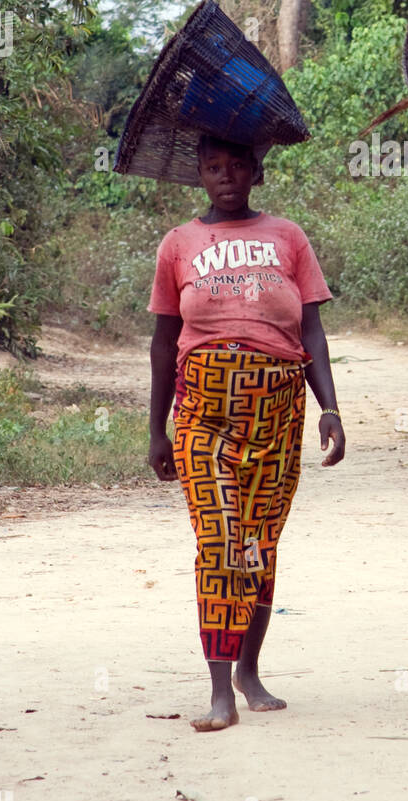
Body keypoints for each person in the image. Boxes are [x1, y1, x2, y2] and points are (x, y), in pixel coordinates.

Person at [147, 133, 345, 731]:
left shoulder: (288, 237)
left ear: (256, 172)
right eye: (213, 168)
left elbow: (311, 332)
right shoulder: (179, 244)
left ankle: (249, 670)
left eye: (237, 166)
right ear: (200, 176)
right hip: (204, 413)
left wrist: (329, 408)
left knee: (259, 542)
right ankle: (219, 691)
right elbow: (162, 344)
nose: (225, 177)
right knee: (221, 540)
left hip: (278, 412)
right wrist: (157, 429)